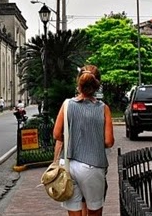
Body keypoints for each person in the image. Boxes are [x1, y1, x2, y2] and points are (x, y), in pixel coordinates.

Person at [53, 65, 114, 216]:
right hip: (93, 166)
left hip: (68, 165)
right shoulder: (103, 108)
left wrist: (71, 140)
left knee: (74, 211)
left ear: (78, 83)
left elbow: (56, 134)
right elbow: (108, 142)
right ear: (97, 84)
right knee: (94, 211)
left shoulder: (67, 105)